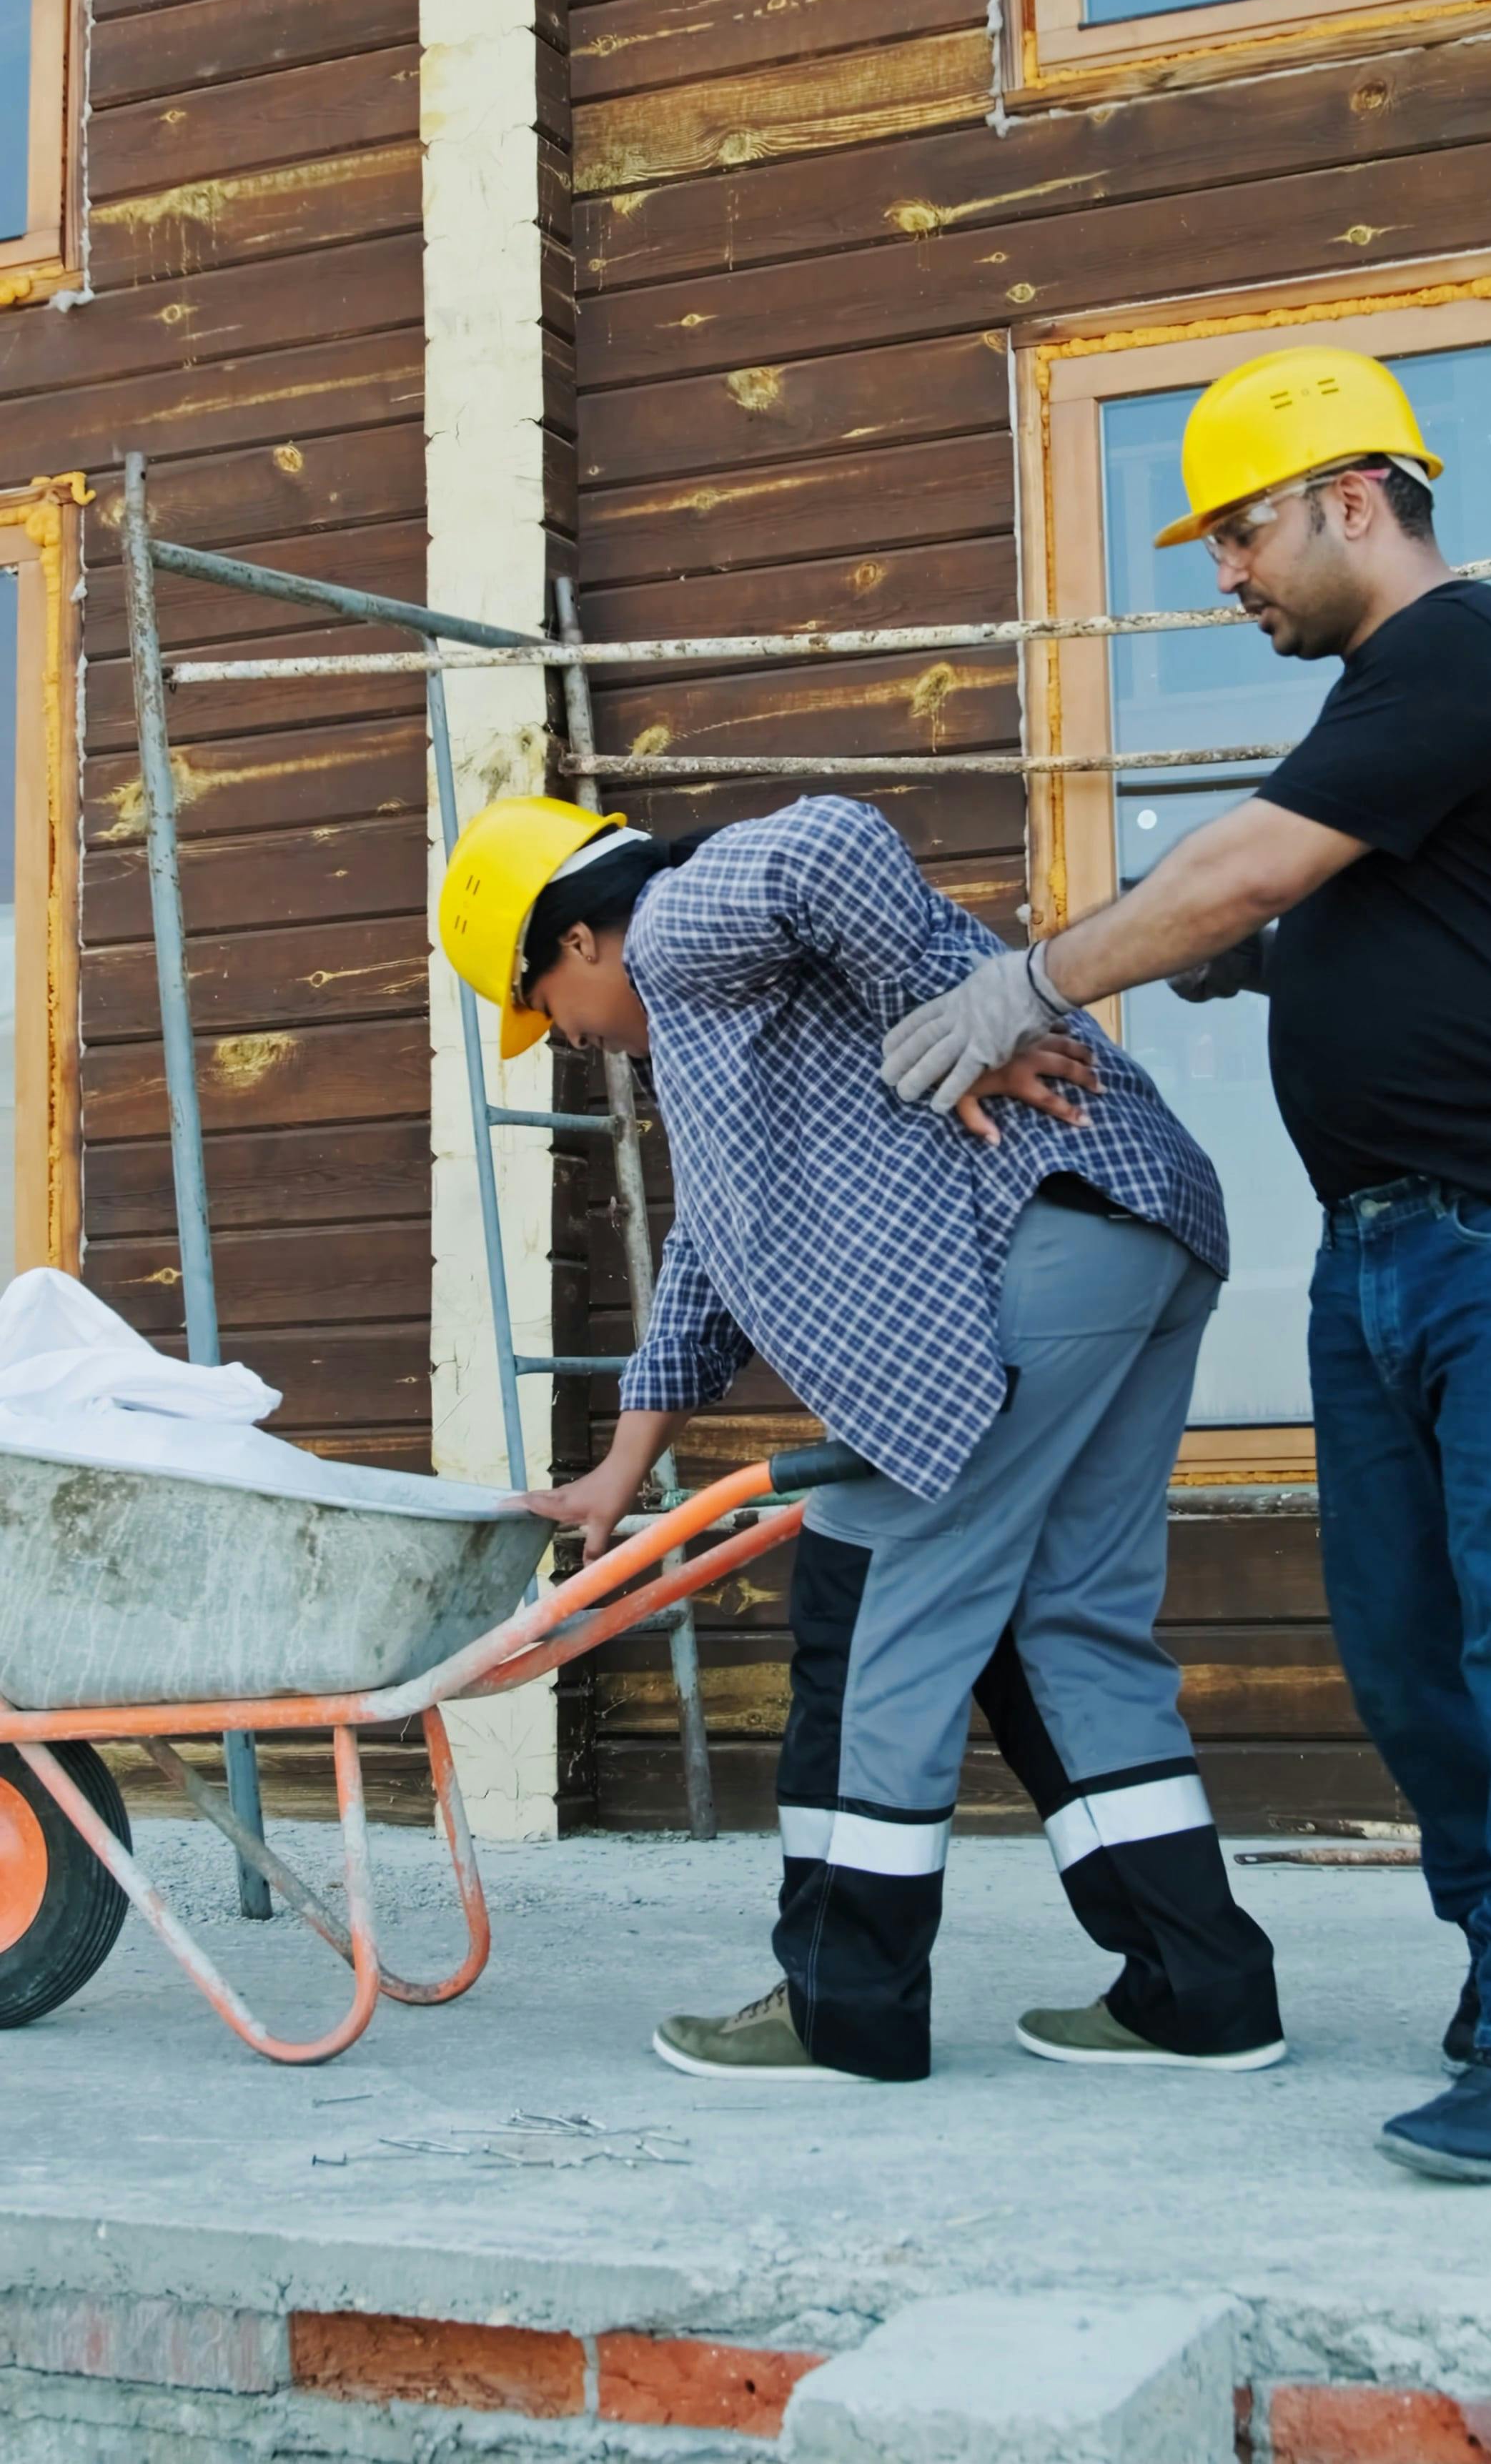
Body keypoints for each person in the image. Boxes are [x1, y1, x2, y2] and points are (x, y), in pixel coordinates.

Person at [883, 344, 1491, 2182]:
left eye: (1244, 533)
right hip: (1390, 1249)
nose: (1226, 574)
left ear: (1354, 498)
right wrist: (1269, 961)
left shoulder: (1459, 657)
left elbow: (1252, 866)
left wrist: (1037, 972)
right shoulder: (1392, 706)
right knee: (1415, 1659)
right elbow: (1345, 898)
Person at [439, 790, 1282, 2085]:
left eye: (544, 1008)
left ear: (578, 944)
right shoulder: (720, 1040)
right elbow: (711, 1256)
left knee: (870, 1596)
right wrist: (623, 1462)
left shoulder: (675, 925)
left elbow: (831, 841)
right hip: (1138, 1230)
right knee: (1065, 1618)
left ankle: (847, 2006)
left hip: (1032, 1242)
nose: (567, 1037)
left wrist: (968, 1031)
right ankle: (1200, 1989)